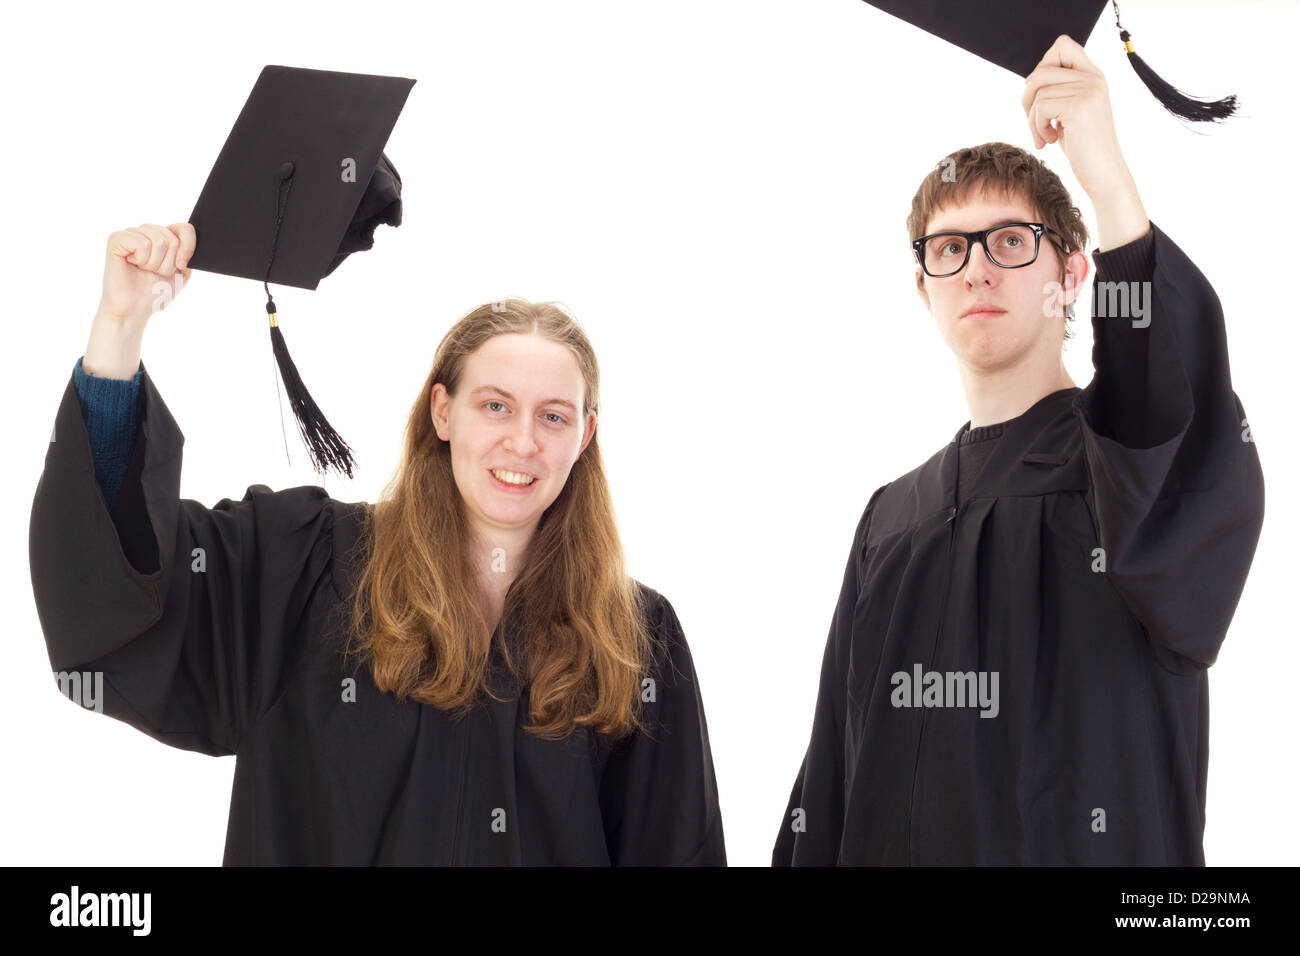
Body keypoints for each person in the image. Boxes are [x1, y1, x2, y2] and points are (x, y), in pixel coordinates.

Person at [30, 222, 726, 865]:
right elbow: (122, 584)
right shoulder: (305, 566)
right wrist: (120, 326)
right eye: (495, 405)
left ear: (586, 436)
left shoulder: (634, 638)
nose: (522, 441)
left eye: (553, 416)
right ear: (442, 409)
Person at [772, 35, 1264, 865]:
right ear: (922, 288)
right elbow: (832, 771)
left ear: (1072, 275)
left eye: (1010, 242)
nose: (976, 270)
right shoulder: (891, 518)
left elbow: (1164, 394)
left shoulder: (1127, 468)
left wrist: (1105, 175)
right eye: (949, 249)